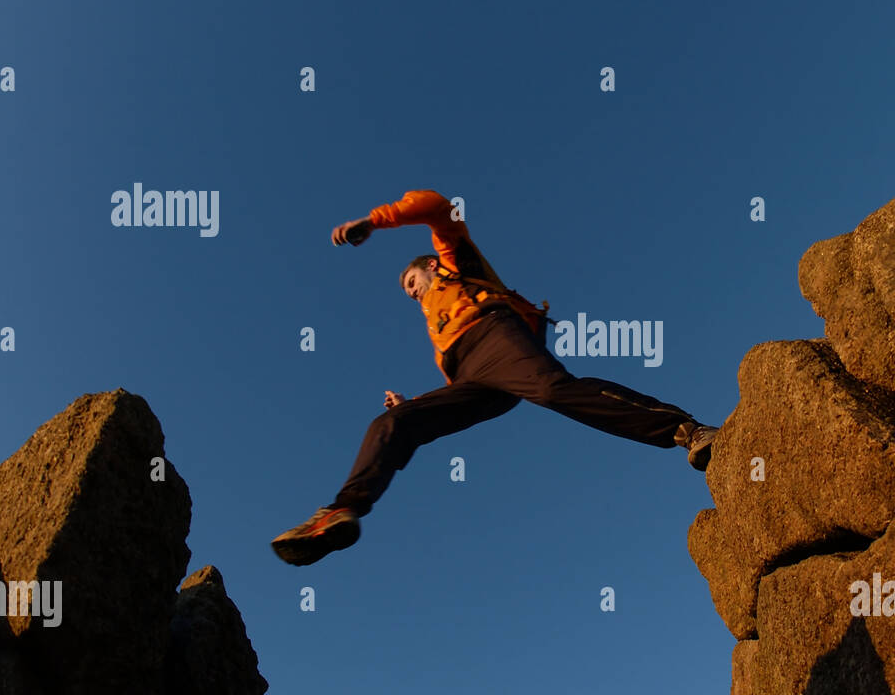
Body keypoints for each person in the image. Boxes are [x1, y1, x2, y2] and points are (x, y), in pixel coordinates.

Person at [270, 189, 720, 566]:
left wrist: (375, 220)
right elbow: (460, 388)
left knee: (552, 390)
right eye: (406, 290)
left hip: (496, 337)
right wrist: (416, 402)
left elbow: (438, 206)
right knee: (394, 423)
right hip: (473, 377)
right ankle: (341, 510)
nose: (411, 292)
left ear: (429, 266)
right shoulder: (437, 329)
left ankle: (686, 429)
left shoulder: (455, 263)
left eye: (411, 280)